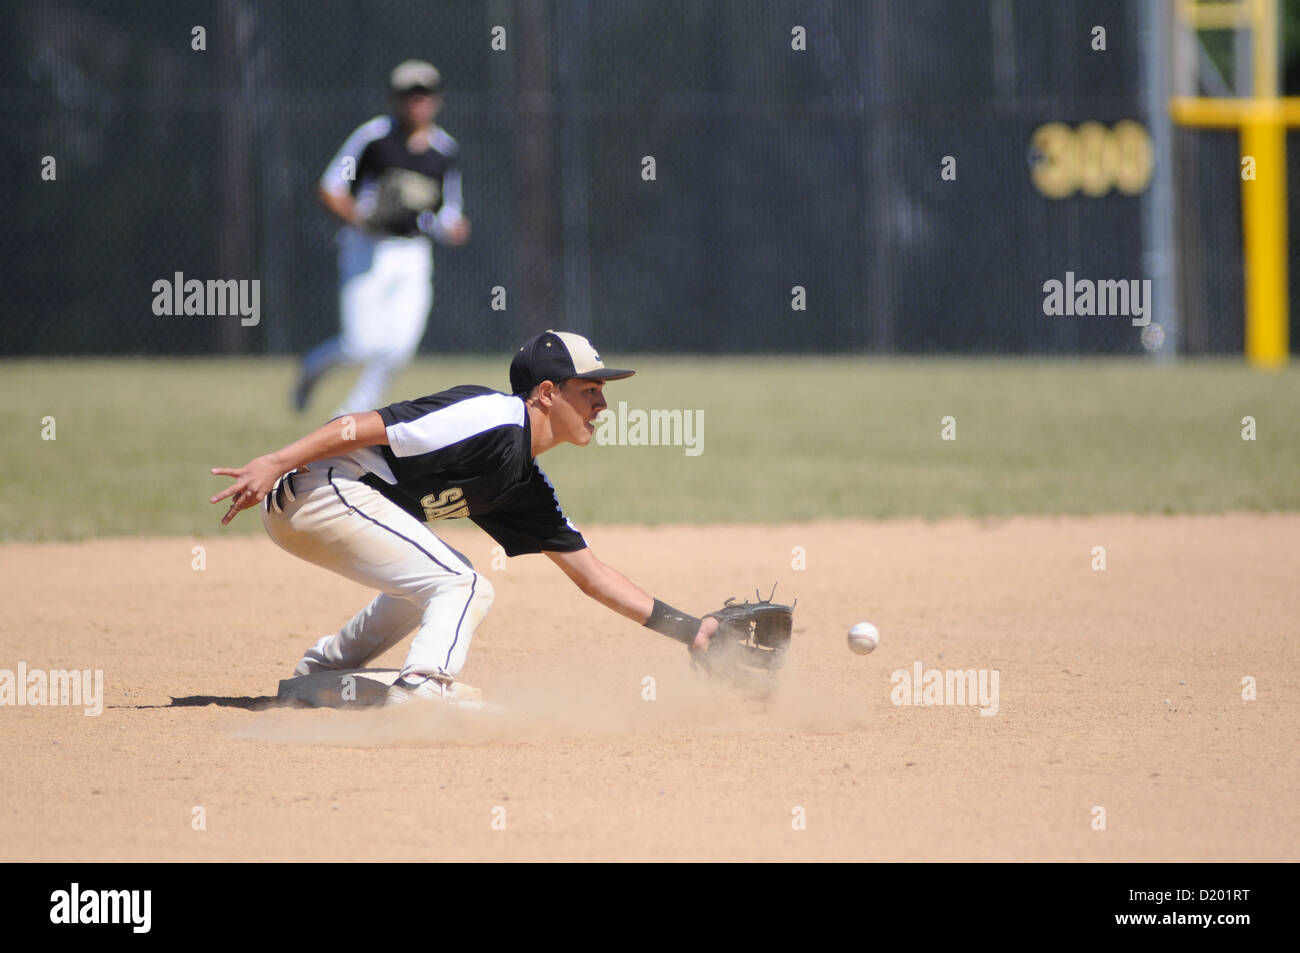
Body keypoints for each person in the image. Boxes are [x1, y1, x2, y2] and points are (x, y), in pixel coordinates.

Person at [213, 331, 718, 705]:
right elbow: (358, 424)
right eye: (589, 390)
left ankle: (322, 672)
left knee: (430, 583)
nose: (603, 404)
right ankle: (422, 690)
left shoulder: (524, 483)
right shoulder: (491, 415)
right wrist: (276, 461)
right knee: (463, 583)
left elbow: (593, 576)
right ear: (546, 392)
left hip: (325, 503)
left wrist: (691, 631)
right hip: (322, 489)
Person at [294, 59, 470, 417]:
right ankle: (311, 369)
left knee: (399, 348)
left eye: (423, 95)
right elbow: (331, 188)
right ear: (395, 98)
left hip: (414, 254)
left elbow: (446, 210)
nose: (416, 103)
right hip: (367, 248)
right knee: (359, 345)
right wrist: (359, 217)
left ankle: (345, 420)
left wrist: (452, 226)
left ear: (436, 100)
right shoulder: (374, 139)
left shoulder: (444, 152)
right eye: (409, 95)